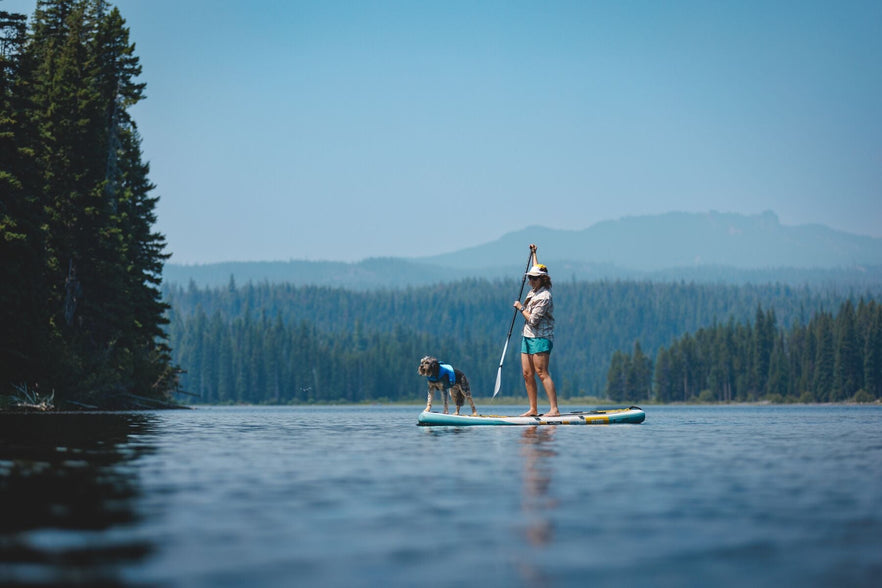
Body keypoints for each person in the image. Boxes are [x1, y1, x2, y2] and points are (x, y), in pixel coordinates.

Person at [513, 244, 559, 417]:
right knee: (527, 373)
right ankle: (533, 409)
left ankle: (554, 409)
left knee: (541, 372)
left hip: (541, 337)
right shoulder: (535, 290)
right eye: (530, 277)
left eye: (534, 278)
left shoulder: (545, 296)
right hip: (527, 336)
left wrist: (520, 307)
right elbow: (538, 268)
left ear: (542, 280)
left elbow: (533, 320)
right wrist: (534, 254)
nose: (530, 281)